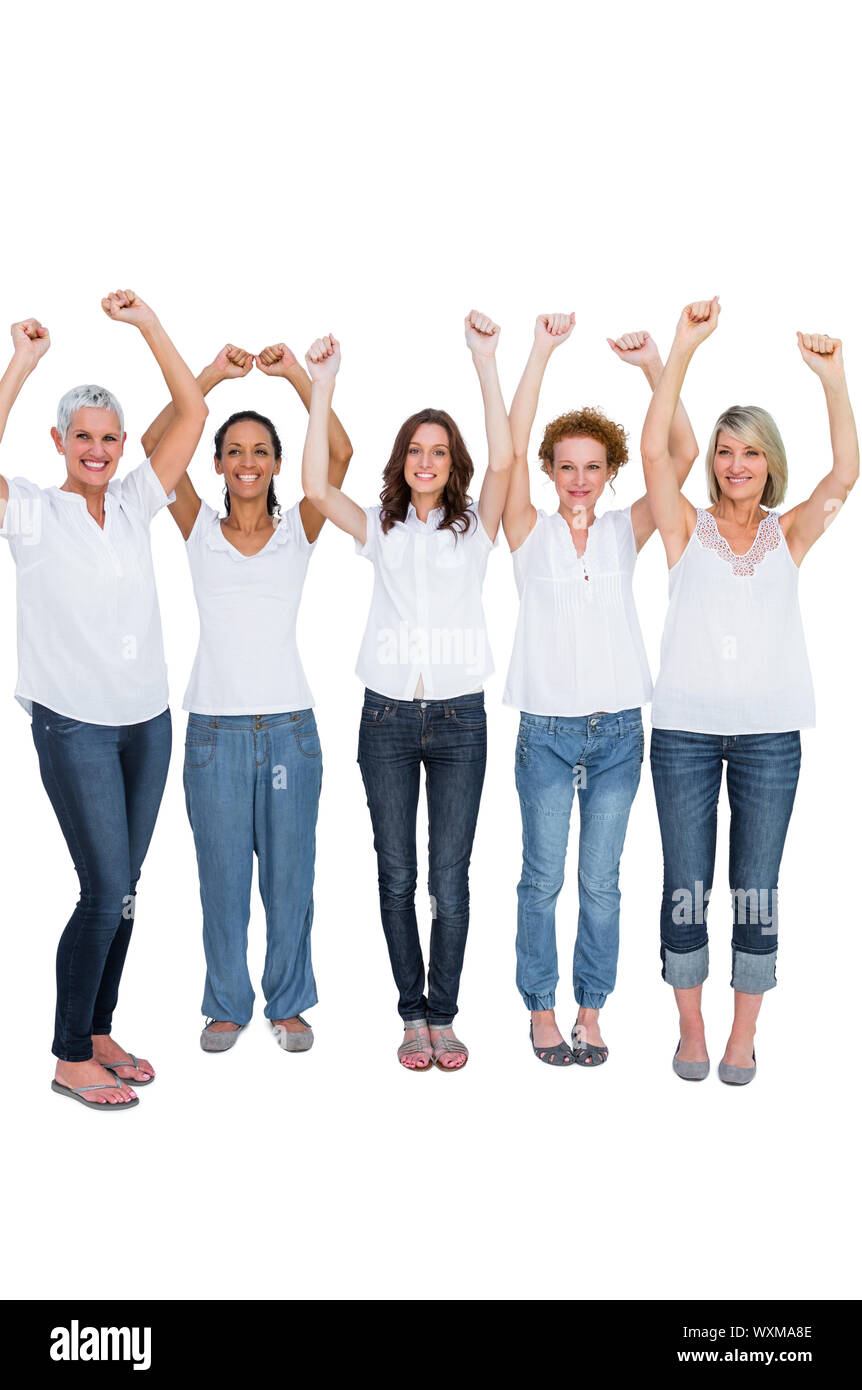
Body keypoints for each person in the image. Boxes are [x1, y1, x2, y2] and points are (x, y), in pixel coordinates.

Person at [641, 299, 858, 1084]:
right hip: (684, 737)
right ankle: (690, 1025)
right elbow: (653, 456)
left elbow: (846, 475)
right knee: (687, 886)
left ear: (770, 464)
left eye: (751, 454)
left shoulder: (790, 533)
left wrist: (832, 378)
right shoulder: (683, 528)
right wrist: (682, 347)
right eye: (727, 452)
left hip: (770, 738)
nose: (736, 465)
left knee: (756, 888)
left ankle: (744, 1032)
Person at [0, 290, 208, 1110]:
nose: (95, 448)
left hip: (146, 724)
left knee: (125, 887)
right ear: (58, 442)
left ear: (124, 446)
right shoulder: (34, 514)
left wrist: (150, 325)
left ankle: (96, 1030)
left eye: (108, 438)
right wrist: (23, 362)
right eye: (80, 437)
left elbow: (190, 411)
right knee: (102, 884)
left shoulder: (133, 501)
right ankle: (65, 1055)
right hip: (74, 726)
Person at [301, 312, 513, 1071]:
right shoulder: (379, 528)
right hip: (386, 718)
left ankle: (445, 1014)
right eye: (416, 451)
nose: (427, 461)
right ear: (402, 460)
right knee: (397, 873)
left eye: (440, 451)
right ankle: (410, 1016)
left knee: (450, 877)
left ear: (451, 462)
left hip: (460, 721)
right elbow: (316, 485)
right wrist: (323, 385)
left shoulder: (474, 528)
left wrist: (483, 361)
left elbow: (507, 460)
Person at [141, 340, 352, 1054]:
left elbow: (343, 457)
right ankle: (227, 1002)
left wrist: (299, 375)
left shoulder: (301, 526)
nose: (249, 461)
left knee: (291, 881)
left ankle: (288, 1003)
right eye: (235, 450)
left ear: (278, 464)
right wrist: (208, 379)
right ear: (218, 463)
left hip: (290, 728)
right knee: (221, 879)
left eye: (261, 450)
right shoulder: (198, 527)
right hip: (214, 736)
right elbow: (150, 444)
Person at [503, 312, 699, 1066]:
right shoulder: (528, 532)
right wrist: (540, 353)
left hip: (619, 734)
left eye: (592, 466)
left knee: (602, 884)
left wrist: (656, 365)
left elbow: (680, 452)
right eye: (566, 466)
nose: (578, 479)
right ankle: (541, 1008)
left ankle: (592, 1009)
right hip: (546, 736)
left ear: (611, 471)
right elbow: (508, 450)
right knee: (543, 878)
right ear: (552, 472)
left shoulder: (627, 529)